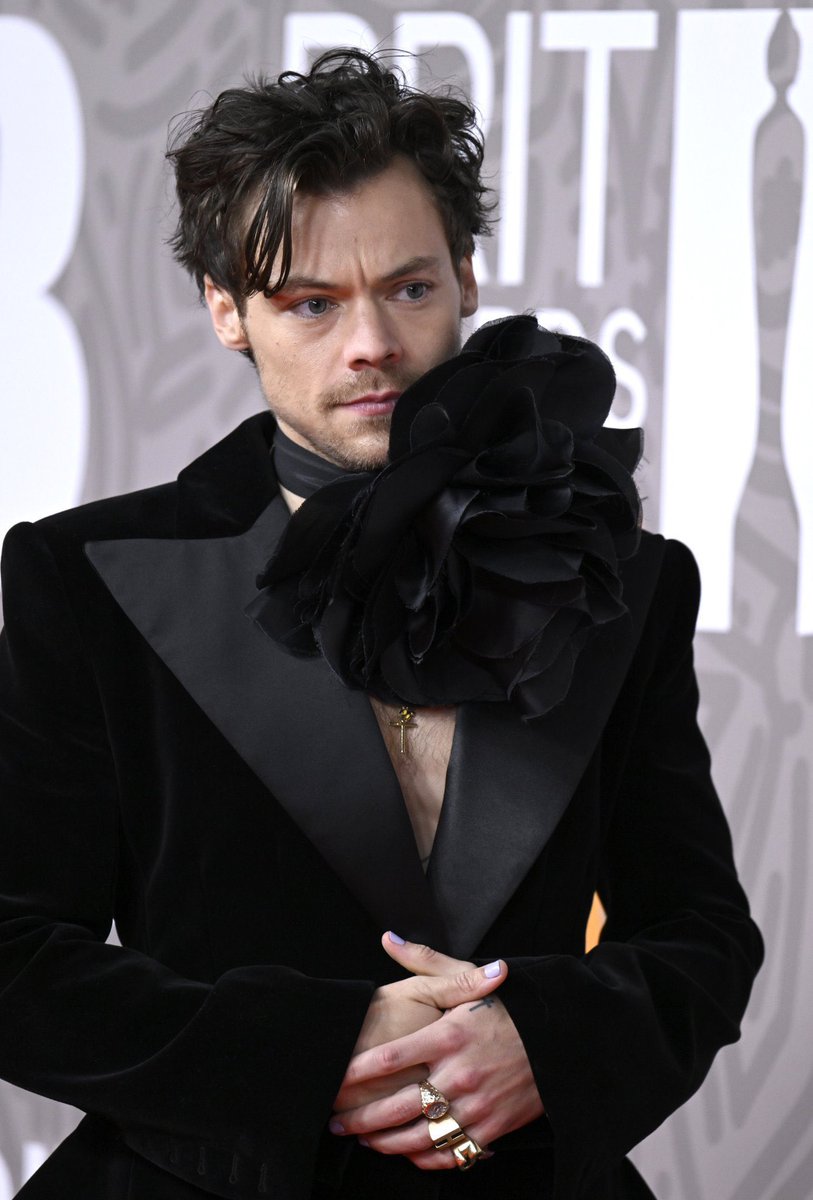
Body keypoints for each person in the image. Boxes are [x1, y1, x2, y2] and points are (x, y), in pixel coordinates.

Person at [0, 49, 762, 1200]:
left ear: (465, 277)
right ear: (226, 309)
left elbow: (701, 934)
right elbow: (12, 956)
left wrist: (546, 1041)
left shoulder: (631, 583)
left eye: (408, 288)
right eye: (311, 303)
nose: (371, 346)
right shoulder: (85, 578)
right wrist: (311, 1052)